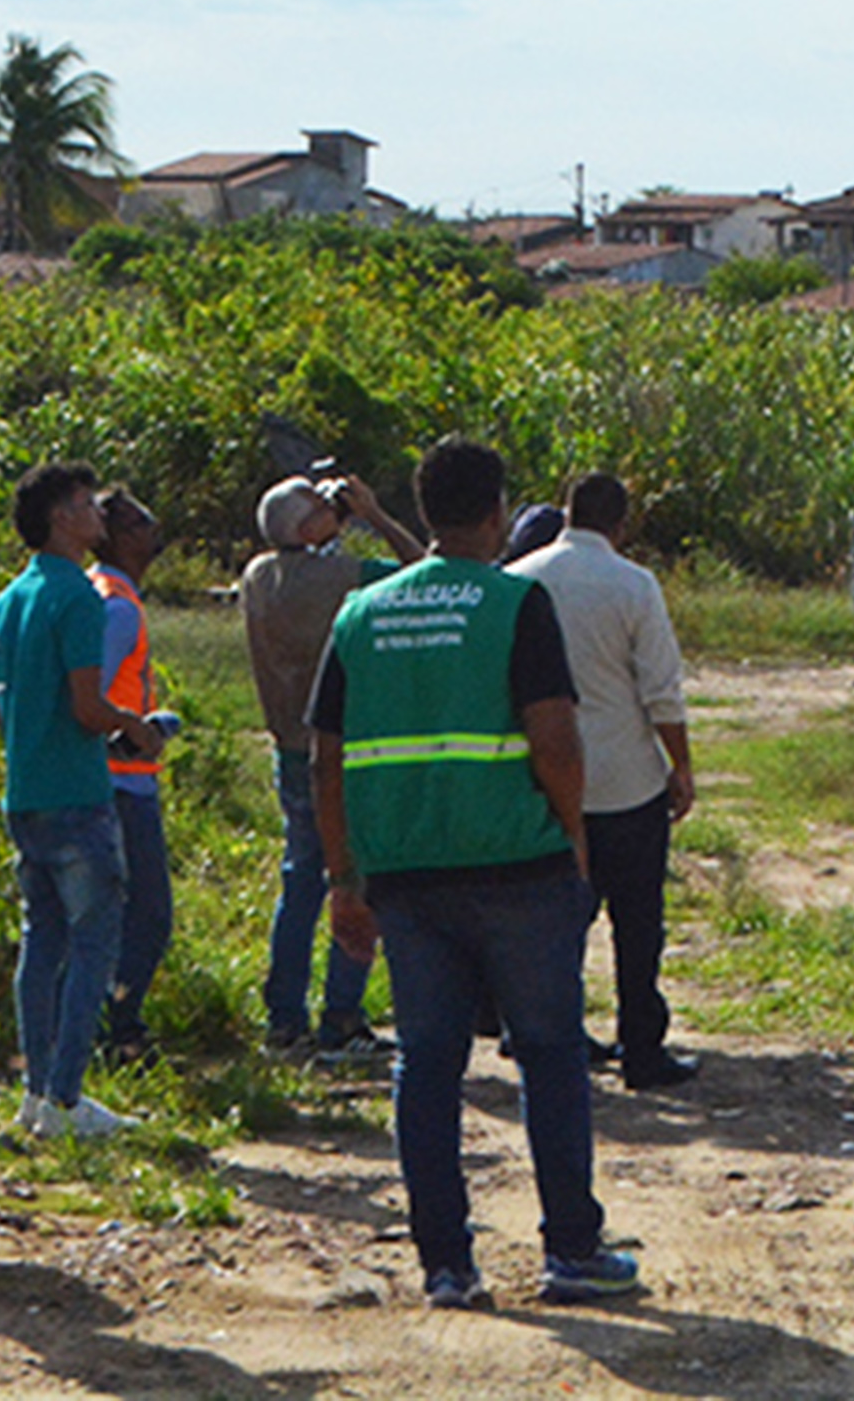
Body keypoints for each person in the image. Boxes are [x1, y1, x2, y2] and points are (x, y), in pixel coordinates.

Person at [311, 436, 638, 1310]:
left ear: (422, 513)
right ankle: (571, 1249)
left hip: (407, 876)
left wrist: (344, 878)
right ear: (497, 514)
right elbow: (556, 737)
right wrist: (574, 837)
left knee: (427, 1067)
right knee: (550, 1057)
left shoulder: (361, 614)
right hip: (518, 865)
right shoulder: (515, 602)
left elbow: (324, 759)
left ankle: (447, 1266)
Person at [0, 463, 166, 1140]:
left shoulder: (13, 596)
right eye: (87, 505)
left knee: (41, 941)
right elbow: (87, 705)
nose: (99, 514)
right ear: (62, 517)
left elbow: (4, 698)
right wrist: (138, 727)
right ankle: (67, 1096)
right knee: (94, 940)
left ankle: (36, 1093)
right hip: (75, 789)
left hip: (24, 787)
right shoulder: (79, 597)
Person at [510, 472, 698, 1090]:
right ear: (622, 524)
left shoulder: (518, 581)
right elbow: (660, 689)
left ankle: (547, 1039)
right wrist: (681, 766)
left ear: (565, 512)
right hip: (625, 781)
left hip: (540, 778)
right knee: (638, 923)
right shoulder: (633, 585)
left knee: (554, 922)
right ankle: (642, 1048)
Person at [241, 470, 424, 1056]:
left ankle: (284, 1018)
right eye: (321, 506)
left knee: (299, 885)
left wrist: (332, 518)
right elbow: (424, 571)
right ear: (304, 526)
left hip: (287, 744)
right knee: (352, 875)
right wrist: (373, 514)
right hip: (342, 748)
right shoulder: (340, 577)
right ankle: (342, 1014)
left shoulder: (258, 575)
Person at [90, 488, 178, 1065]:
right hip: (121, 782)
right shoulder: (118, 605)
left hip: (118, 777)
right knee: (147, 915)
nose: (154, 529)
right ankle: (116, 1027)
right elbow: (90, 692)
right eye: (143, 521)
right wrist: (136, 729)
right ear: (121, 537)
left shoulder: (108, 595)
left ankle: (109, 1023)